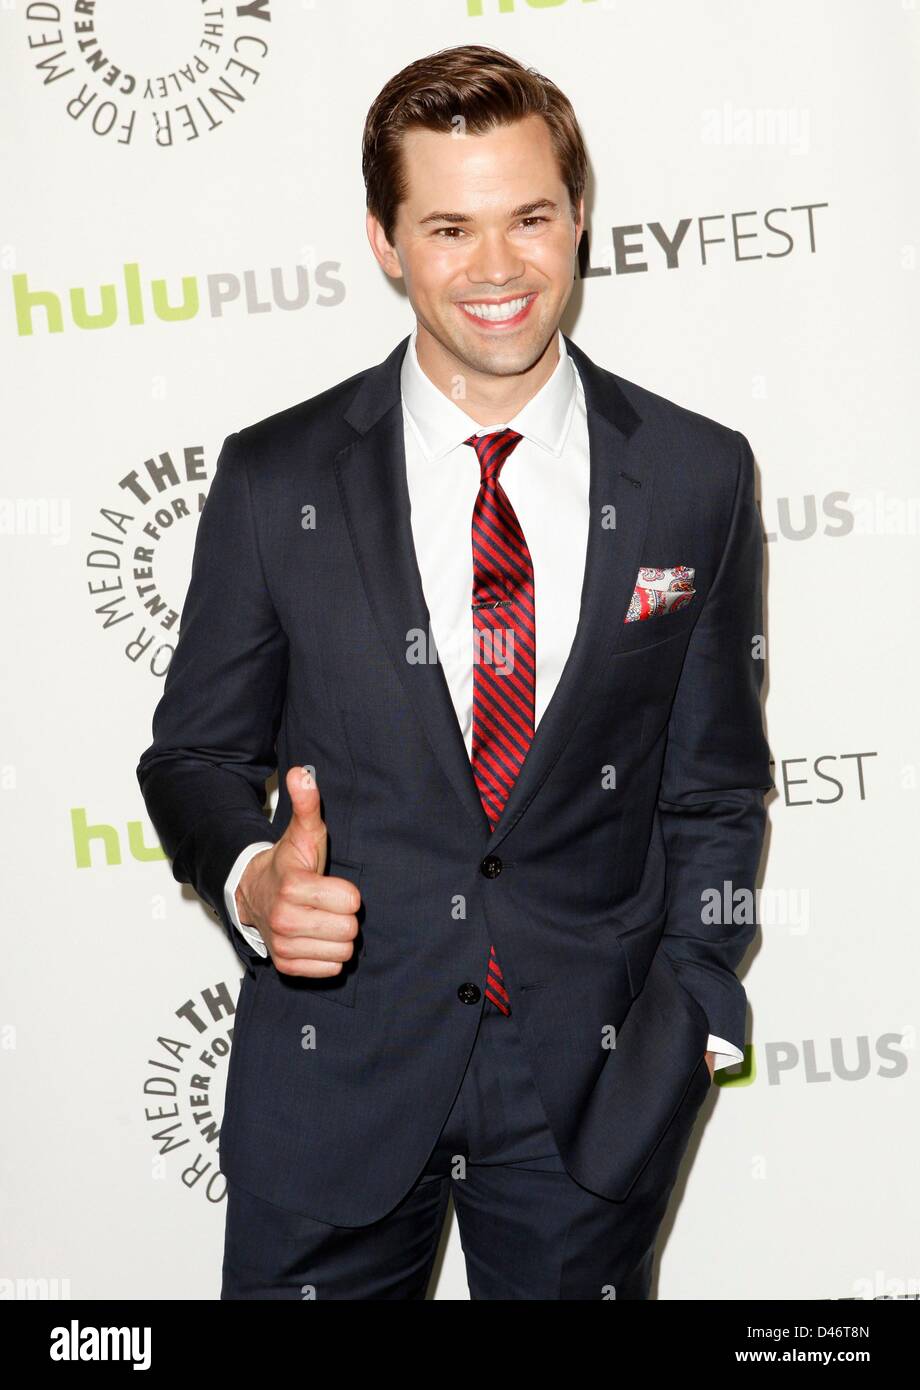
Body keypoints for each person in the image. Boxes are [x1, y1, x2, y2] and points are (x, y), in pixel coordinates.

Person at [136, 43, 773, 1300]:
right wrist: (258, 883)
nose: (495, 269)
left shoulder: (697, 473)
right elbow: (194, 755)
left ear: (577, 214)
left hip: (589, 1094)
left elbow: (714, 789)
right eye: (447, 226)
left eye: (529, 216)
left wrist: (691, 1010)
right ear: (384, 240)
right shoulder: (279, 478)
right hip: (336, 1069)